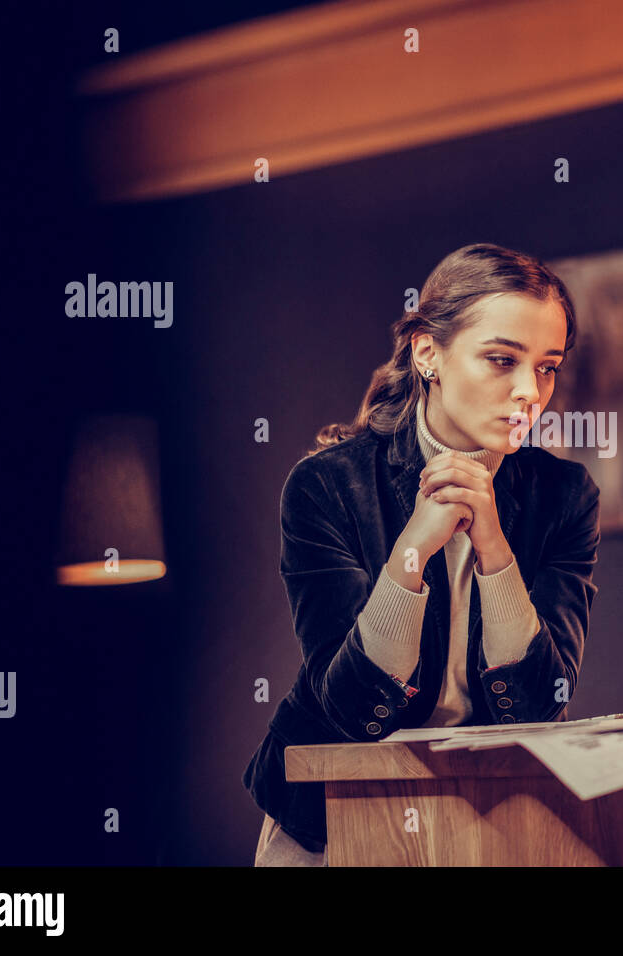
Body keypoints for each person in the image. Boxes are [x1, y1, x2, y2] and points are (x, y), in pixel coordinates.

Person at [243, 243, 601, 865]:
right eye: (501, 359)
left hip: (478, 818)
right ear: (428, 353)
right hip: (326, 821)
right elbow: (354, 707)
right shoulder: (325, 486)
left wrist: (493, 548)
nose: (530, 393)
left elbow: (543, 702)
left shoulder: (565, 497)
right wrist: (414, 545)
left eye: (547, 366)